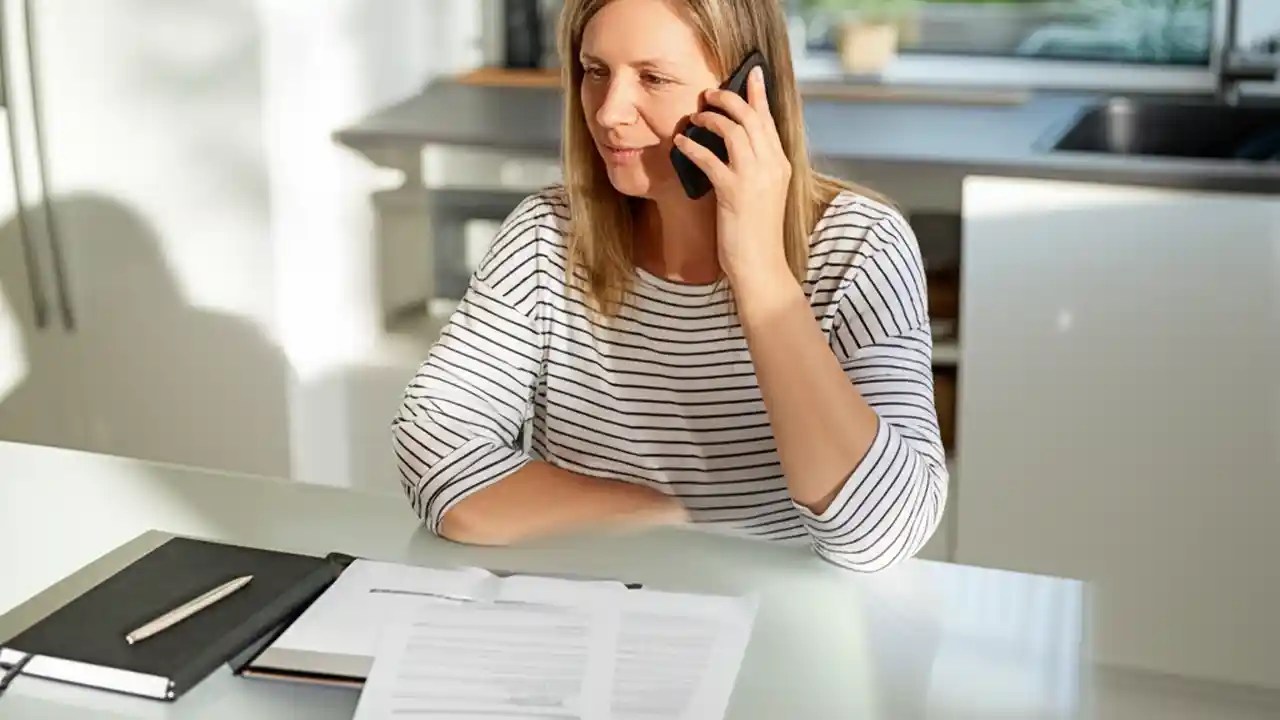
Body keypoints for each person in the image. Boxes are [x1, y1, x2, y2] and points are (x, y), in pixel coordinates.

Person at [392, 0, 948, 572]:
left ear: (747, 92)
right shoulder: (548, 233)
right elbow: (435, 450)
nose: (608, 112)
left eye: (653, 78)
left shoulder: (860, 244)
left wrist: (758, 271)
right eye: (596, 71)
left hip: (782, 628)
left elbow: (882, 534)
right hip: (592, 612)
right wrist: (644, 512)